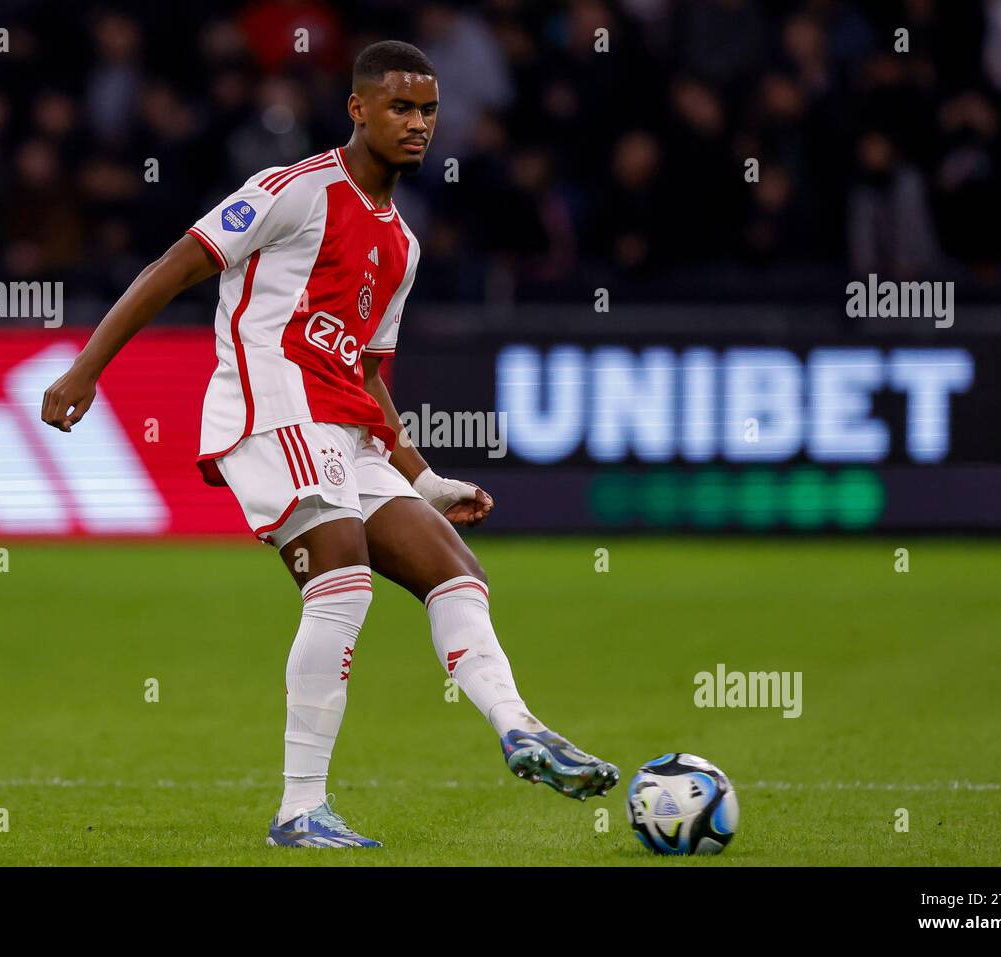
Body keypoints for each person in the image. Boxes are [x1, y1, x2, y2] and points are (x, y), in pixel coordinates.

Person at [40, 40, 617, 849]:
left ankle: (521, 728)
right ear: (358, 109)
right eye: (400, 108)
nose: (417, 125)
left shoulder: (403, 246)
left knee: (456, 571)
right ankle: (299, 807)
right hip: (273, 409)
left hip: (345, 428)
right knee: (343, 584)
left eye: (427, 111)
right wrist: (85, 371)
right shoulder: (291, 191)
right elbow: (173, 267)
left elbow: (366, 373)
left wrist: (424, 476)